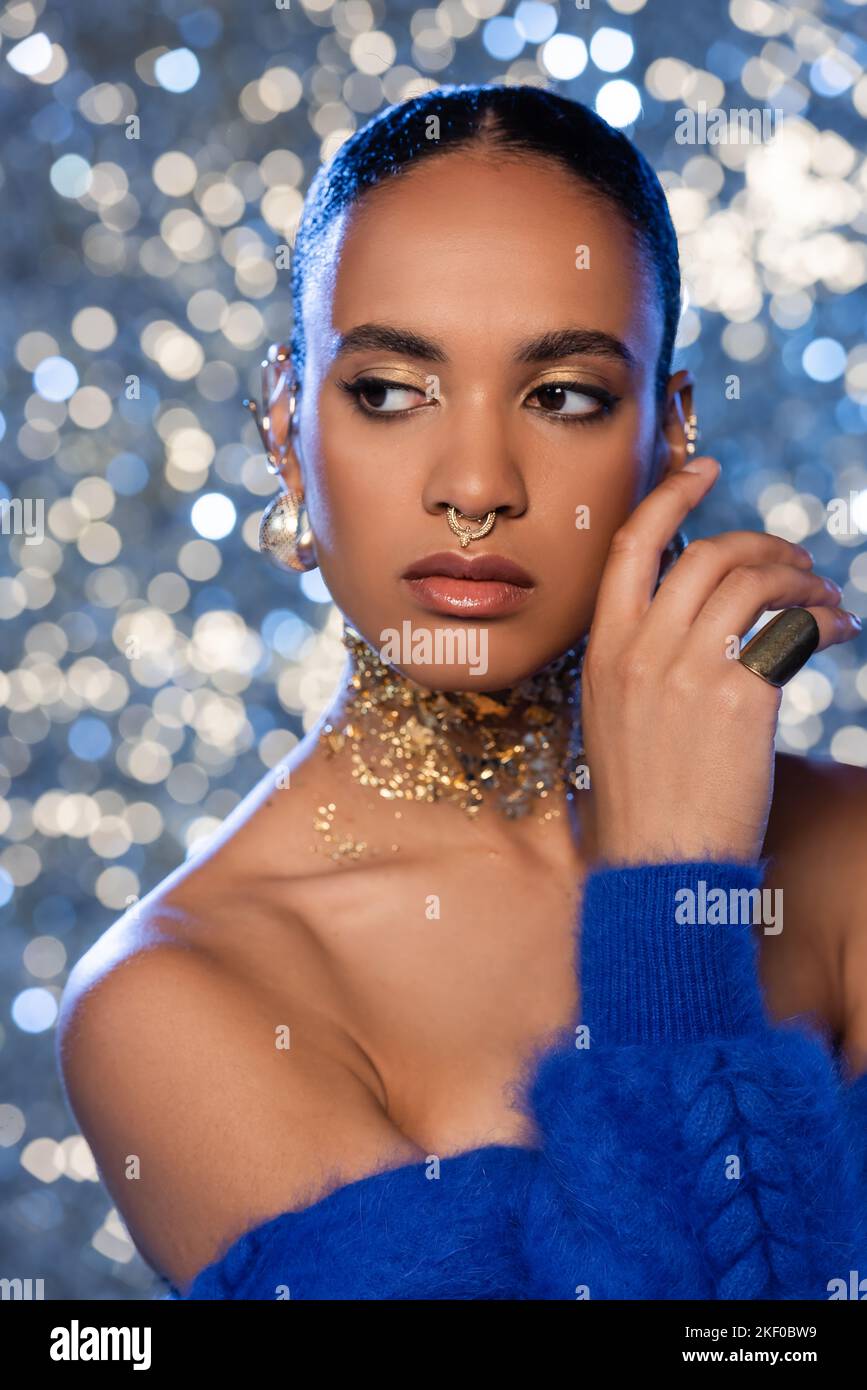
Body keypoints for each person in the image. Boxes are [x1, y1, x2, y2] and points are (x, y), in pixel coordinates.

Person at [57, 83, 867, 1300]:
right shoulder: (182, 997)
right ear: (286, 430)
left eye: (564, 395)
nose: (477, 484)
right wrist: (668, 898)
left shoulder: (849, 855)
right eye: (389, 389)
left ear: (669, 431)